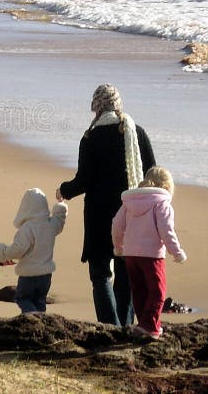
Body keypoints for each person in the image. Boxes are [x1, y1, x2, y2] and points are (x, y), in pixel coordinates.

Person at [56, 84, 155, 326]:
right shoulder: (136, 133)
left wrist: (63, 190)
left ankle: (110, 328)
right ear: (118, 104)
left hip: (99, 216)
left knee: (100, 273)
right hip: (131, 214)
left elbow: (84, 181)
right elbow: (151, 173)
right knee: (126, 271)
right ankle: (124, 325)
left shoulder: (90, 138)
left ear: (97, 108)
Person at [112, 166, 187, 339]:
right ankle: (150, 326)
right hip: (152, 255)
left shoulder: (129, 202)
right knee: (157, 291)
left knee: (139, 290)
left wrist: (119, 247)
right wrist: (176, 252)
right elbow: (166, 230)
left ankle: (144, 324)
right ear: (167, 187)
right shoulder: (162, 203)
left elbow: (116, 224)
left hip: (131, 254)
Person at [0, 188, 68, 314]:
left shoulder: (27, 229)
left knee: (23, 298)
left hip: (29, 275)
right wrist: (60, 207)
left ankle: (32, 319)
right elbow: (59, 221)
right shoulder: (50, 224)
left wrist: (3, 252)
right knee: (40, 301)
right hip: (46, 275)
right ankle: (41, 322)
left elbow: (18, 250)